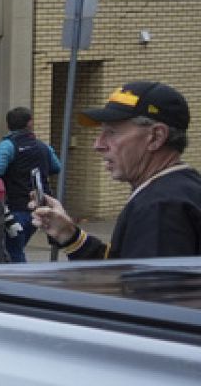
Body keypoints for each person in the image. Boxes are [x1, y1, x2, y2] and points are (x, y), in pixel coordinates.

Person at [33, 81, 201, 258]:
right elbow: (121, 266)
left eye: (112, 132)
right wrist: (68, 234)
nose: (98, 144)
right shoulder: (180, 189)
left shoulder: (160, 207)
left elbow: (145, 276)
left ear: (156, 137)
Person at [0, 106, 62, 262]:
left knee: (13, 252)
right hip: (39, 209)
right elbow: (56, 167)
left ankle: (20, 276)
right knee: (15, 249)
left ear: (8, 125)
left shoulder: (8, 146)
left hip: (15, 210)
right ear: (30, 123)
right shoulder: (43, 146)